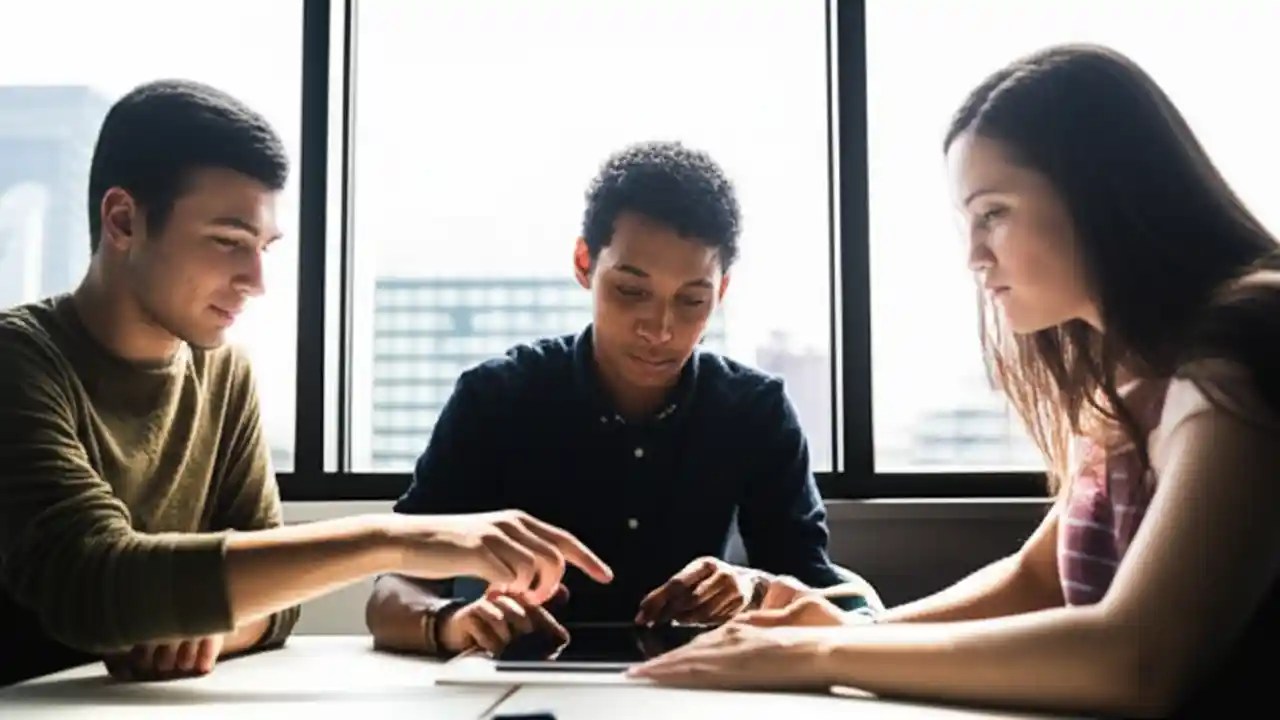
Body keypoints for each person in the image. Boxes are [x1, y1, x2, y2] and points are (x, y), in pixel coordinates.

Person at [627, 44, 1280, 718]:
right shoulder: (1129, 375)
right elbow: (1035, 581)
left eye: (993, 213)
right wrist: (859, 636)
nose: (973, 255)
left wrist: (811, 656)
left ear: (1099, 190)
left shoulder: (1248, 339)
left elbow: (1141, 659)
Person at [0, 79, 611, 687]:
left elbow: (278, 606)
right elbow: (90, 581)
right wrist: (393, 538)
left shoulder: (223, 370)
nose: (256, 279)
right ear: (124, 220)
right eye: (228, 242)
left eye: (264, 246)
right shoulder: (20, 359)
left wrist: (200, 622)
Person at [365, 140, 874, 658]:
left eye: (692, 300)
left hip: (696, 688)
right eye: (631, 291)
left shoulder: (755, 411)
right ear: (585, 263)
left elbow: (819, 591)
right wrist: (452, 621)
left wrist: (755, 589)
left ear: (720, 293)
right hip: (518, 686)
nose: (661, 329)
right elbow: (392, 590)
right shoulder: (496, 397)